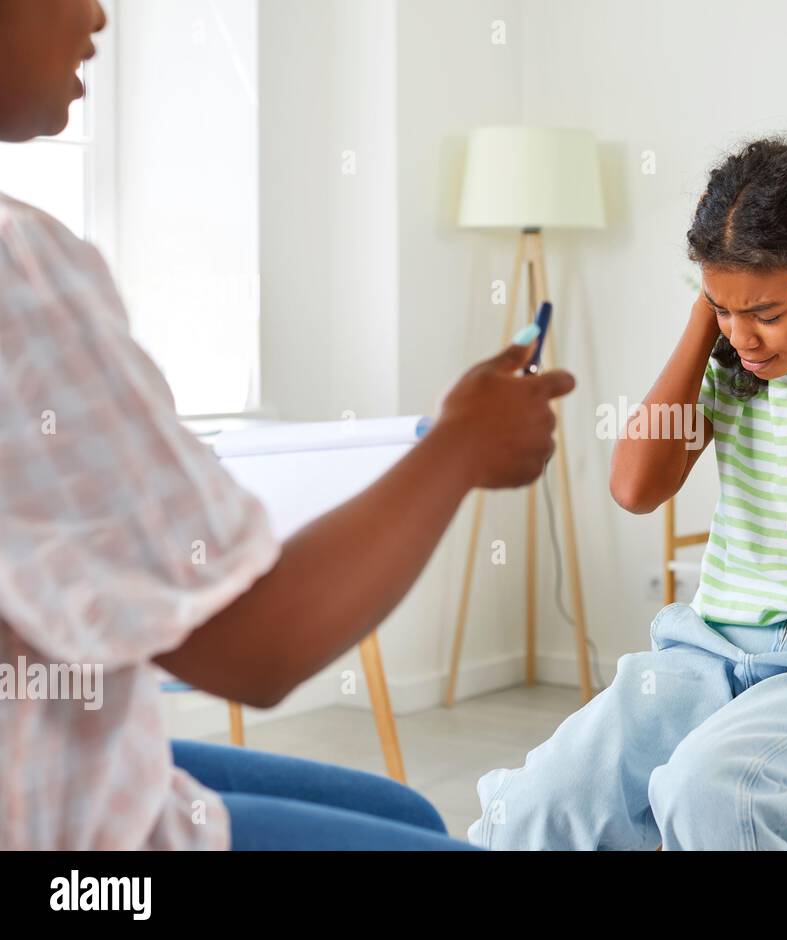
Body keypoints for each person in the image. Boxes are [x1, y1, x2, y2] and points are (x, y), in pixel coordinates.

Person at [0, 0, 575, 850]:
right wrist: (463, 446)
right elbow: (254, 651)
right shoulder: (23, 270)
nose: (98, 14)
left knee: (409, 813)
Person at [468, 137, 787, 850]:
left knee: (712, 792)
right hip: (704, 653)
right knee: (544, 800)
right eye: (724, 308)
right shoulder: (736, 362)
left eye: (766, 312)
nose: (746, 337)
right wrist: (709, 319)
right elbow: (635, 487)